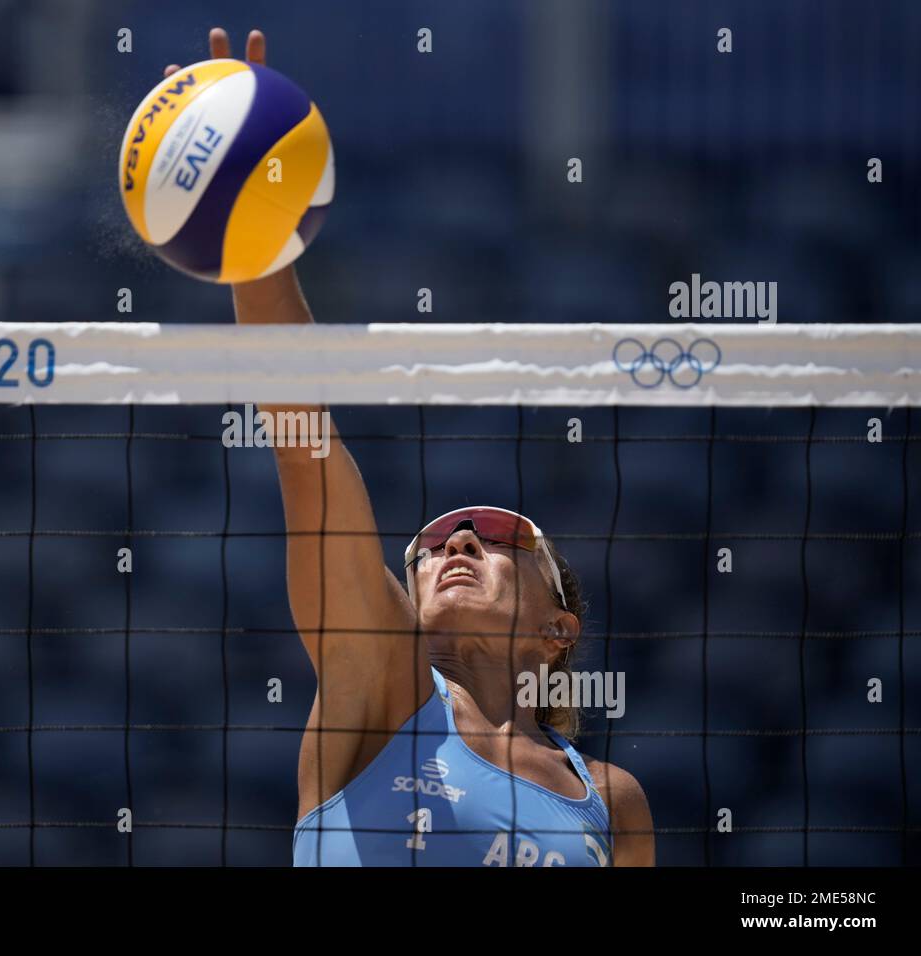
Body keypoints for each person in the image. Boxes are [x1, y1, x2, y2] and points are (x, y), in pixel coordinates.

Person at [165, 28, 656, 867]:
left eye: (501, 535)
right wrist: (253, 223)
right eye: (429, 545)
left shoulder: (610, 797)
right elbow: (303, 445)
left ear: (557, 630)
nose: (456, 540)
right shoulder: (382, 684)